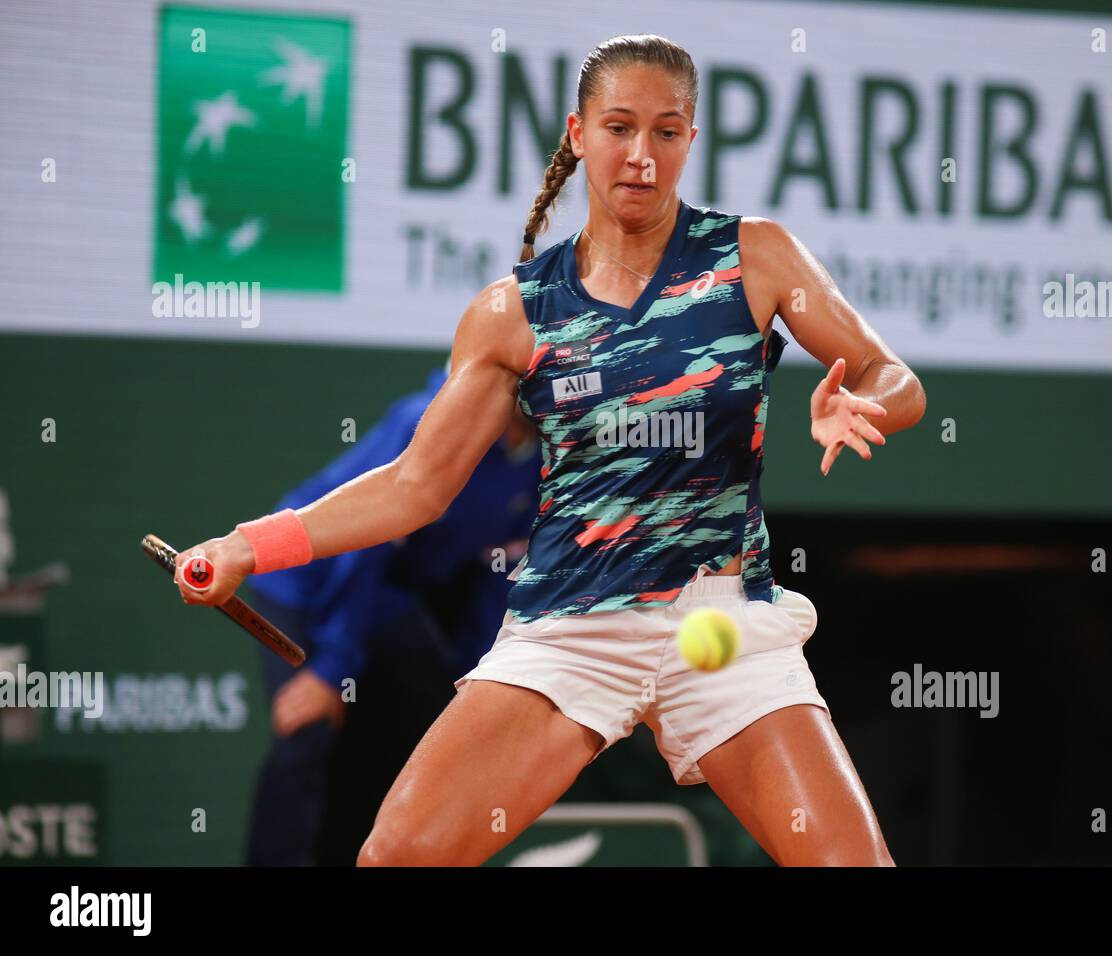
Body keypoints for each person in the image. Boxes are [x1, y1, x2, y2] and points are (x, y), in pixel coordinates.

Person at [172, 33, 925, 867]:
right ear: (577, 133)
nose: (642, 155)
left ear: (691, 142)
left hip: (721, 623)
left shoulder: (756, 256)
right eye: (619, 127)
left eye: (667, 132)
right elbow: (411, 488)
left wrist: (865, 403)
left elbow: (896, 376)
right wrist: (247, 545)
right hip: (570, 628)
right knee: (397, 857)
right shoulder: (513, 312)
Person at [240, 364, 540, 865]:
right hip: (306, 584)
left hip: (388, 600)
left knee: (407, 737)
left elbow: (490, 574)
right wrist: (330, 672)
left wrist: (481, 675)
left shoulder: (538, 459)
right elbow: (366, 546)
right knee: (309, 733)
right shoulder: (423, 422)